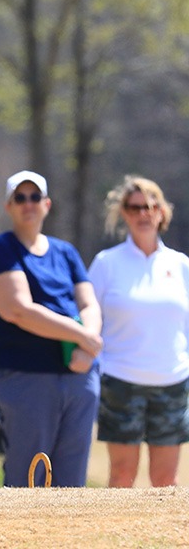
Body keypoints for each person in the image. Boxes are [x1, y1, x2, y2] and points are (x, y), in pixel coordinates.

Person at [0, 170, 104, 487]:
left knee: (72, 482)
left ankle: (68, 539)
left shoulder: (65, 252)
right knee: (27, 478)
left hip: (78, 375)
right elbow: (18, 310)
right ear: (9, 206)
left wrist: (88, 350)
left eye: (35, 197)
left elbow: (90, 304)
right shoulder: (1, 250)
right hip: (25, 376)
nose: (28, 204)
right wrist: (83, 337)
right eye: (20, 198)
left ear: (47, 204)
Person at [87, 175, 189, 487]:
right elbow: (88, 314)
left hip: (172, 382)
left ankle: (166, 538)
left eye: (149, 206)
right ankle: (113, 537)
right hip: (121, 382)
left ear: (161, 212)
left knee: (165, 480)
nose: (142, 213)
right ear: (124, 214)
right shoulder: (107, 263)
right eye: (133, 207)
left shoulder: (181, 264)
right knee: (121, 475)